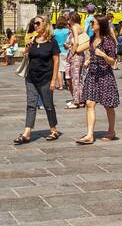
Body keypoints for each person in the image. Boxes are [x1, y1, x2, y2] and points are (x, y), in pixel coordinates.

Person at [15, 16, 61, 144]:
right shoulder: (32, 39)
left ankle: (53, 130)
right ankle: (27, 133)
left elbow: (56, 61)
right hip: (31, 78)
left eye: (37, 23)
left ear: (45, 25)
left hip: (46, 78)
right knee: (31, 104)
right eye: (34, 23)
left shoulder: (52, 42)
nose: (35, 25)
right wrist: (27, 47)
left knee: (48, 105)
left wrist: (53, 80)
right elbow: (25, 54)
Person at [77, 16, 120, 144]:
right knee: (89, 103)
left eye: (93, 23)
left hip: (105, 75)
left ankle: (111, 131)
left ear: (100, 25)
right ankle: (90, 135)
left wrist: (104, 55)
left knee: (108, 105)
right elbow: (90, 53)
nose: (90, 24)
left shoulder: (108, 41)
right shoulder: (92, 39)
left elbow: (113, 61)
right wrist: (88, 60)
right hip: (92, 74)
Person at [65, 11, 88, 110]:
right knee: (79, 78)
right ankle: (82, 99)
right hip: (82, 55)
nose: (68, 20)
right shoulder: (80, 27)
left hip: (76, 55)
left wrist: (71, 54)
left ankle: (76, 101)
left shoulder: (74, 27)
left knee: (75, 78)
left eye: (69, 18)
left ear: (71, 19)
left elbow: (76, 42)